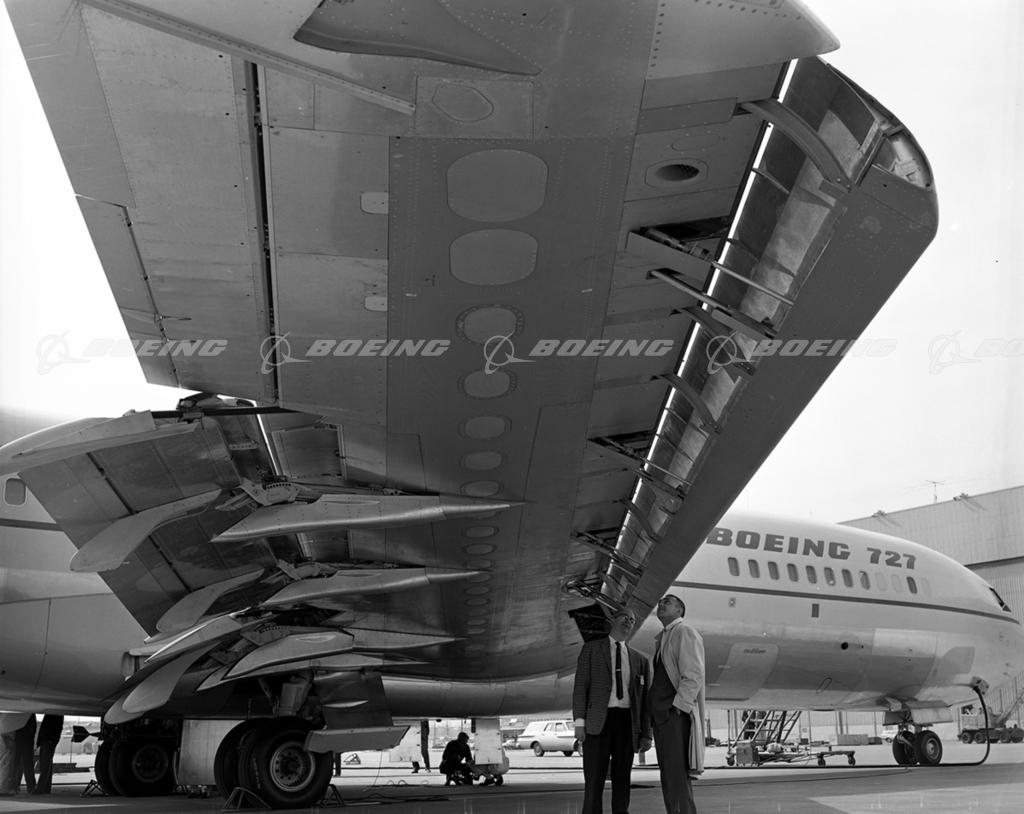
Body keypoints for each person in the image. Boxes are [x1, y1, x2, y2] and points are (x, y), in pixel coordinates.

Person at [573, 608, 653, 814]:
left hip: (626, 723)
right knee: (593, 778)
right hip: (598, 722)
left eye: (633, 620)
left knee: (622, 777)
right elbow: (581, 688)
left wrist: (646, 734)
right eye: (625, 618)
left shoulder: (640, 660)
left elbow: (645, 702)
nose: (629, 622)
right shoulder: (591, 650)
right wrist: (579, 724)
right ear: (612, 620)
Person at [650, 594, 706, 814]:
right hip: (663, 717)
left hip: (673, 716)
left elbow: (693, 674)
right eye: (660, 601)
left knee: (677, 778)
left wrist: (677, 709)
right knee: (669, 777)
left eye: (668, 602)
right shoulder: (664, 636)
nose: (661, 603)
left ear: (680, 611)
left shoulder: (684, 632)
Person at [34, 715, 64, 794]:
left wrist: (51, 740)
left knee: (45, 766)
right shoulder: (54, 713)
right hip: (47, 741)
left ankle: (41, 788)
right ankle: (46, 788)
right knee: (47, 765)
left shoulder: (54, 713)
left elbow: (56, 728)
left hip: (47, 741)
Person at [12, 715, 36, 795]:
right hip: (28, 741)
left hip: (18, 740)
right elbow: (33, 728)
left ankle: (14, 786)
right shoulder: (31, 714)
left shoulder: (18, 715)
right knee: (28, 765)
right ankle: (31, 787)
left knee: (15, 765)